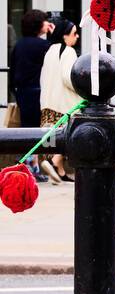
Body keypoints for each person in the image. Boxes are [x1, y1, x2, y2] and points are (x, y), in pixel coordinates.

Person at [9, 10, 54, 180]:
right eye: (44, 21)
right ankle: (28, 166)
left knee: (27, 129)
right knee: (36, 131)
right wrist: (53, 35)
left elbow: (13, 71)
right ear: (38, 24)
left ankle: (30, 165)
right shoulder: (43, 46)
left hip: (22, 92)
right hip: (37, 92)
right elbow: (54, 57)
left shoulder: (19, 45)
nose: (46, 23)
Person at [39, 17, 80, 181]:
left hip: (48, 103)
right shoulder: (68, 51)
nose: (76, 37)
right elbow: (69, 77)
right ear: (64, 36)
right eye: (74, 33)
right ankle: (55, 162)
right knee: (70, 133)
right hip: (65, 103)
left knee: (53, 139)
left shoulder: (50, 51)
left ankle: (58, 172)